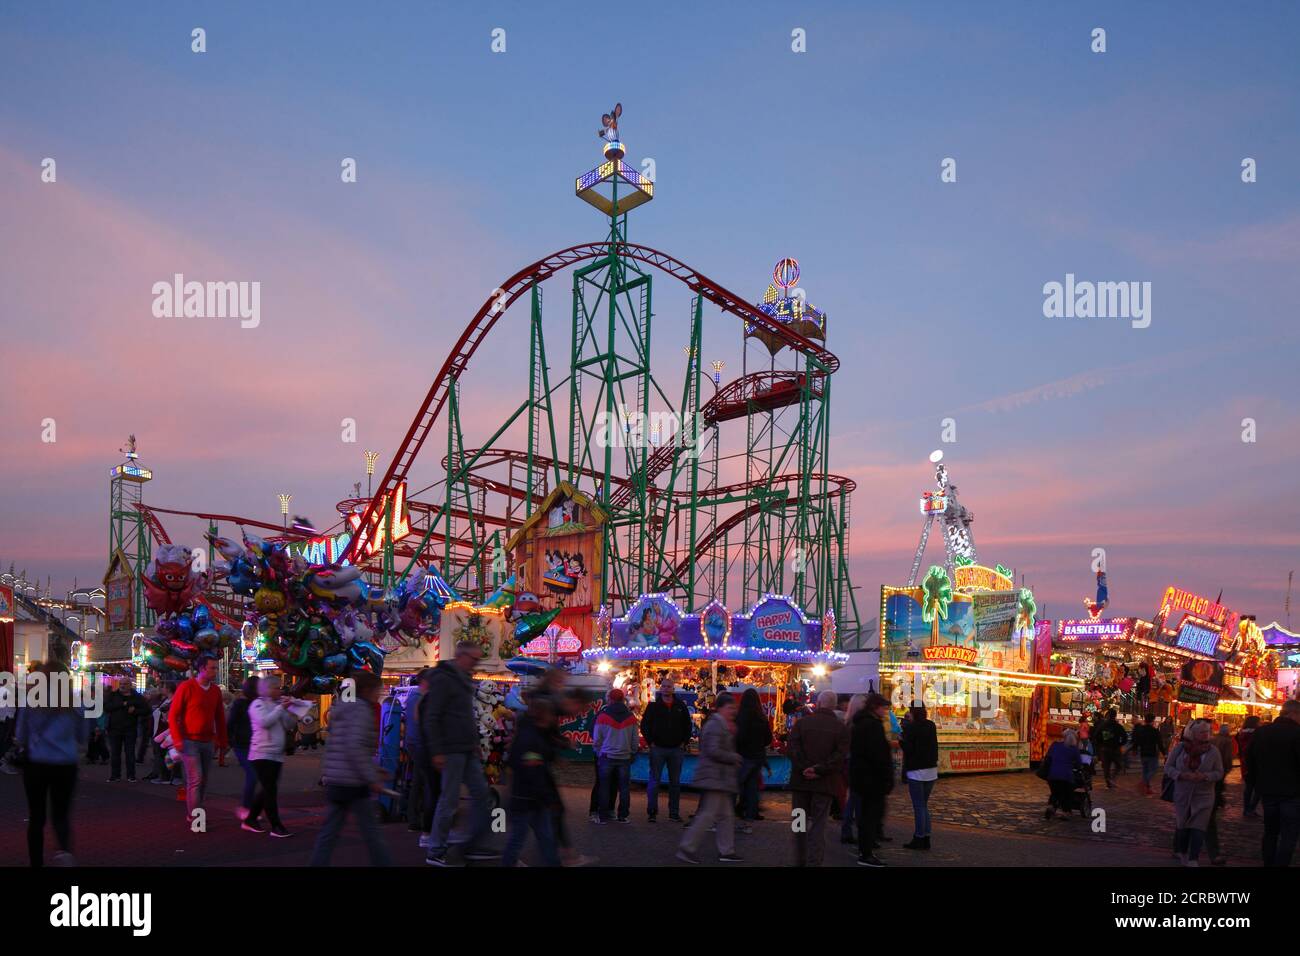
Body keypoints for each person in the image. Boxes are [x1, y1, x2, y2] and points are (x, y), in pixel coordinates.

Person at [423, 640, 499, 866]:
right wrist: (437, 750)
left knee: (482, 796)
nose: (475, 664)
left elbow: (465, 716)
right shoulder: (444, 679)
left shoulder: (463, 680)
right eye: (473, 659)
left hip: (465, 748)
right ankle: (436, 849)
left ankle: (474, 844)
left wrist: (473, 741)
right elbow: (432, 716)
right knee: (449, 800)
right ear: (461, 656)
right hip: (451, 749)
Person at [310, 671, 392, 866]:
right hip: (353, 781)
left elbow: (340, 745)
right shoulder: (362, 711)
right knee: (371, 833)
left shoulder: (342, 708)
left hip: (337, 778)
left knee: (329, 833)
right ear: (367, 690)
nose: (378, 694)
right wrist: (371, 777)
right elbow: (356, 747)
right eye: (377, 690)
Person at [16, 663, 87, 866]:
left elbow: (21, 735)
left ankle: (36, 862)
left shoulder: (32, 701)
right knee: (61, 815)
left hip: (37, 763)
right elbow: (82, 736)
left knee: (36, 817)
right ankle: (64, 852)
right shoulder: (75, 703)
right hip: (66, 764)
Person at [677, 692, 744, 864]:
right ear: (721, 708)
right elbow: (713, 750)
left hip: (719, 777)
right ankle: (687, 847)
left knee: (725, 815)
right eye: (730, 708)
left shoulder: (722, 724)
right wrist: (733, 757)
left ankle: (726, 850)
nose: (733, 711)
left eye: (734, 708)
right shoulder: (715, 725)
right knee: (708, 814)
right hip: (714, 776)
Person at [787, 690, 849, 867]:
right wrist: (819, 769)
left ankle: (799, 859)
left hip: (800, 784)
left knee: (798, 825)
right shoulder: (841, 728)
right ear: (834, 705)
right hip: (824, 785)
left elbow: (792, 749)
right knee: (818, 826)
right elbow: (839, 757)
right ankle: (814, 862)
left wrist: (805, 767)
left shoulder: (802, 724)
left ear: (819, 704)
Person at [501, 698, 562, 867]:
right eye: (551, 714)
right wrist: (549, 798)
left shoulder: (530, 734)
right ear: (544, 715)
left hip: (528, 797)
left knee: (544, 837)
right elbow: (533, 772)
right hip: (527, 798)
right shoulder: (531, 738)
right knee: (521, 838)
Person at [168, 656, 228, 819]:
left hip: (207, 741)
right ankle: (195, 817)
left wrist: (223, 741)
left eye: (216, 668)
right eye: (213, 668)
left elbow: (219, 717)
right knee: (196, 779)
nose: (215, 671)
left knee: (203, 780)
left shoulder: (215, 690)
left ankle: (195, 812)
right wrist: (178, 739)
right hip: (189, 741)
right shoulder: (187, 687)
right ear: (202, 668)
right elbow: (173, 715)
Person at [242, 676, 298, 837]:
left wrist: (290, 709)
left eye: (280, 688)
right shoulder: (257, 704)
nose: (280, 691)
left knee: (268, 788)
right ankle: (276, 825)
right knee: (270, 789)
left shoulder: (276, 705)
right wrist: (281, 708)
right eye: (277, 688)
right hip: (261, 753)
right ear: (268, 689)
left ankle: (250, 819)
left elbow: (289, 725)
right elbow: (264, 722)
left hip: (276, 754)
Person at [1165, 719, 1224, 867]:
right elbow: (1168, 768)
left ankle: (1193, 858)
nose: (1205, 735)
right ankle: (1183, 853)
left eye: (1207, 732)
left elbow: (1219, 772)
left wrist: (1205, 776)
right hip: (1183, 794)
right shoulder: (1180, 749)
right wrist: (1180, 775)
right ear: (1192, 734)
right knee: (1183, 826)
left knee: (1199, 827)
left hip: (1204, 795)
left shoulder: (1213, 751)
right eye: (1202, 732)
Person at [1249, 698, 1300, 867]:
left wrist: (1255, 784)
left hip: (1267, 790)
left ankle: (1268, 863)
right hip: (1292, 792)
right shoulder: (1297, 733)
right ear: (1293, 714)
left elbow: (1251, 761)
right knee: (1289, 834)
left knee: (1270, 832)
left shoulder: (1261, 732)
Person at [849, 693, 893, 867]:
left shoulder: (859, 723)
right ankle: (866, 853)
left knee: (866, 815)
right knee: (870, 816)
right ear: (876, 707)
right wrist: (886, 776)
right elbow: (878, 755)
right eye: (884, 708)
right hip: (872, 779)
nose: (886, 711)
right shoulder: (872, 726)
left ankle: (865, 849)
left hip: (863, 777)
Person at [641, 678, 693, 823]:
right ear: (660, 688)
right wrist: (651, 742)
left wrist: (684, 742)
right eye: (663, 686)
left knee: (675, 782)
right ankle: (652, 812)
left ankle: (674, 813)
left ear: (673, 688)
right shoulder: (653, 707)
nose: (666, 688)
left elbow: (687, 726)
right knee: (654, 781)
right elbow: (645, 725)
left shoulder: (680, 706)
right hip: (658, 748)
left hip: (676, 749)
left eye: (668, 686)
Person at [406, 668, 442, 848]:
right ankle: (419, 822)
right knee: (425, 784)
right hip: (420, 744)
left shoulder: (413, 696)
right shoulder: (421, 698)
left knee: (419, 783)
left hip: (414, 744)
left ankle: (415, 818)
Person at [592, 687, 638, 824]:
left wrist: (598, 751)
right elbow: (634, 739)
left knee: (604, 786)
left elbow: (597, 738)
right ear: (623, 700)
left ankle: (602, 816)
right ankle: (623, 815)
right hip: (624, 757)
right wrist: (633, 752)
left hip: (607, 756)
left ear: (610, 699)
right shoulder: (631, 717)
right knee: (624, 788)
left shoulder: (603, 716)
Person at [900, 703, 939, 850]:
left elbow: (909, 749)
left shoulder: (911, 728)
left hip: (916, 771)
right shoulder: (931, 725)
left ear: (912, 712)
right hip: (931, 769)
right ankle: (926, 837)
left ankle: (918, 837)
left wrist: (901, 740)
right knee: (924, 805)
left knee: (919, 806)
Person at [227, 677, 259, 820]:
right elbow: (231, 723)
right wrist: (230, 742)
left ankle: (252, 807)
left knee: (259, 777)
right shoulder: (240, 704)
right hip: (242, 745)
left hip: (257, 744)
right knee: (252, 775)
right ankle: (245, 807)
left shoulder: (261, 703)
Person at [104, 676, 145, 782]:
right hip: (114, 729)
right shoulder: (113, 695)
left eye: (125, 684)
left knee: (130, 753)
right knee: (115, 753)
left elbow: (146, 710)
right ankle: (115, 775)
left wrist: (135, 711)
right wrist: (123, 704)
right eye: (121, 683)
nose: (122, 686)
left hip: (130, 729)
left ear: (130, 685)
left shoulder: (137, 696)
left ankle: (131, 776)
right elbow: (107, 707)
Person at [1043, 730, 1082, 818]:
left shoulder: (1055, 745)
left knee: (1055, 792)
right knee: (1067, 794)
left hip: (1052, 775)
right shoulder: (1074, 749)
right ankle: (1066, 812)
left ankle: (1051, 806)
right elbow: (1079, 764)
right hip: (1066, 775)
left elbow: (1048, 757)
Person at [1130, 712, 1166, 796]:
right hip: (1152, 753)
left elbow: (1137, 740)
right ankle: (1144, 783)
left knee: (1145, 770)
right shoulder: (1154, 731)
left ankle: (1147, 787)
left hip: (1143, 752)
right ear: (1152, 720)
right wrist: (1164, 753)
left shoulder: (1141, 730)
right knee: (1153, 769)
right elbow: (1160, 743)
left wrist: (1134, 749)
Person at [1236, 715, 1262, 817]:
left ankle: (1247, 809)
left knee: (1249, 787)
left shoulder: (1241, 733)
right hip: (1255, 763)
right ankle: (1251, 808)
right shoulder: (1257, 734)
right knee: (1259, 789)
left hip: (1245, 764)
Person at [1097, 708, 1128, 789]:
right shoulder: (1118, 726)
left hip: (1105, 748)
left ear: (1108, 715)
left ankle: (1108, 782)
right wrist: (1120, 744)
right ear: (1115, 716)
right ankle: (1112, 778)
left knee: (1106, 767)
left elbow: (1096, 736)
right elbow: (1125, 737)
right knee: (1119, 765)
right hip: (1115, 748)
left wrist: (1100, 744)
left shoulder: (1103, 726)